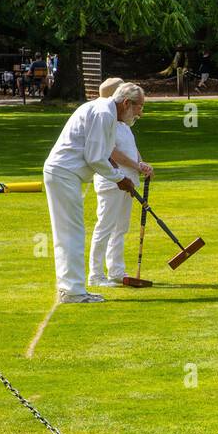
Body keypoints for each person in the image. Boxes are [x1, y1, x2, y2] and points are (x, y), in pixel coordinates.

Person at [43, 78, 152, 303]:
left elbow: (99, 154)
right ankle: (73, 292)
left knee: (70, 232)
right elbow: (95, 157)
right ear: (125, 103)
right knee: (71, 232)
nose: (139, 114)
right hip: (64, 173)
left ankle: (70, 289)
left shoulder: (107, 113)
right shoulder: (104, 114)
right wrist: (119, 178)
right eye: (139, 107)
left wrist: (122, 176)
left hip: (66, 174)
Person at [89, 83, 151, 287]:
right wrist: (135, 165)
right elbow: (112, 153)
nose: (140, 112)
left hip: (128, 182)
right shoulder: (106, 121)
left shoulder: (124, 124)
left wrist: (141, 164)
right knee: (105, 227)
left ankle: (116, 271)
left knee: (120, 228)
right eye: (138, 106)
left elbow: (131, 149)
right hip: (112, 182)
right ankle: (96, 275)